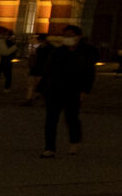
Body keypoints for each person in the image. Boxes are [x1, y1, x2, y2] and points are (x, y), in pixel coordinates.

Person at [34, 25, 96, 157]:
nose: (67, 38)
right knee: (51, 119)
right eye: (65, 36)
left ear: (78, 37)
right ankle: (49, 148)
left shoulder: (85, 53)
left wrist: (85, 90)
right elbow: (48, 71)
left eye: (70, 35)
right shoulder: (58, 52)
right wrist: (40, 88)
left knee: (71, 118)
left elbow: (89, 73)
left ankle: (74, 142)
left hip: (73, 90)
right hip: (54, 89)